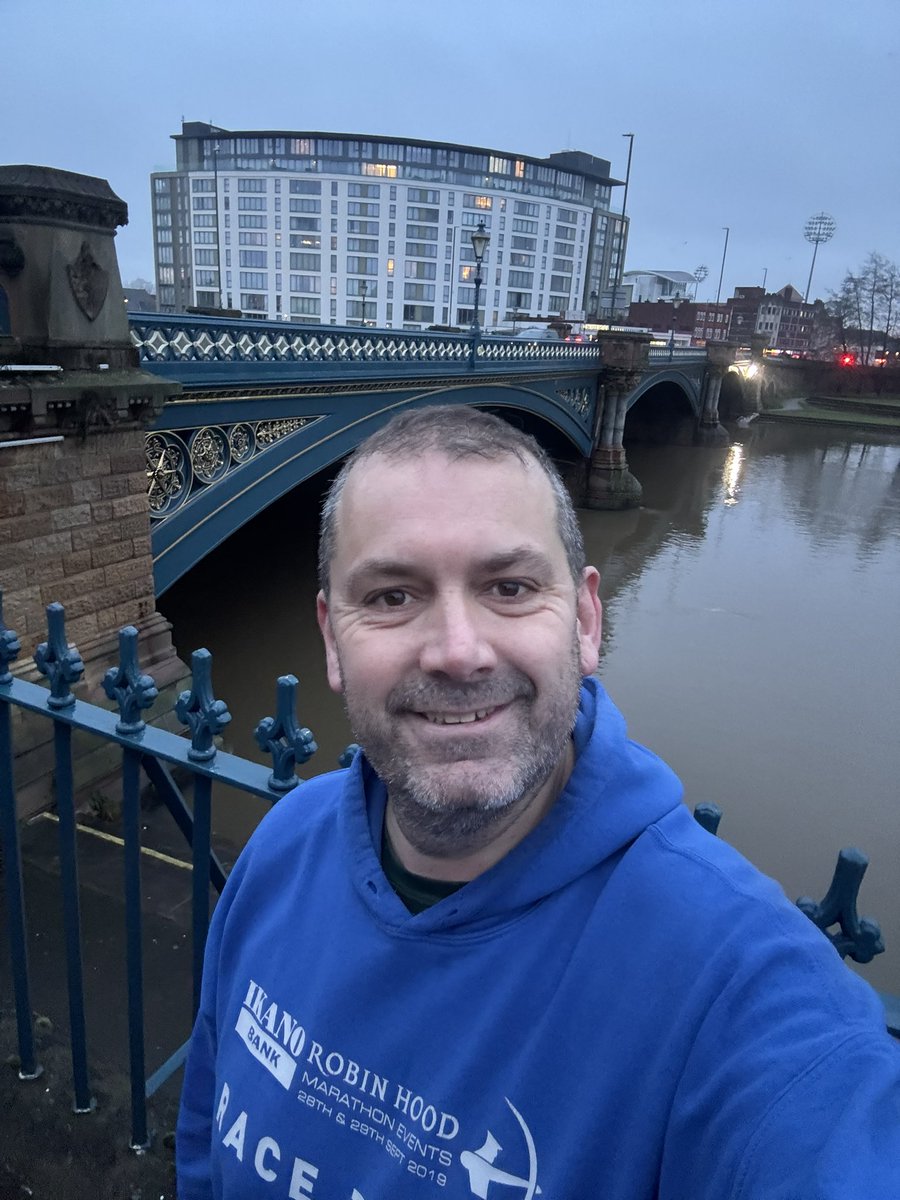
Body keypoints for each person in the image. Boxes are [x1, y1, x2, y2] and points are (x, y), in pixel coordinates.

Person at [176, 405, 900, 1199]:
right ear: (330, 639)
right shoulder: (282, 847)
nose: (457, 651)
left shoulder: (734, 986)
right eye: (391, 596)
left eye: (510, 587)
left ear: (586, 621)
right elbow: (206, 1138)